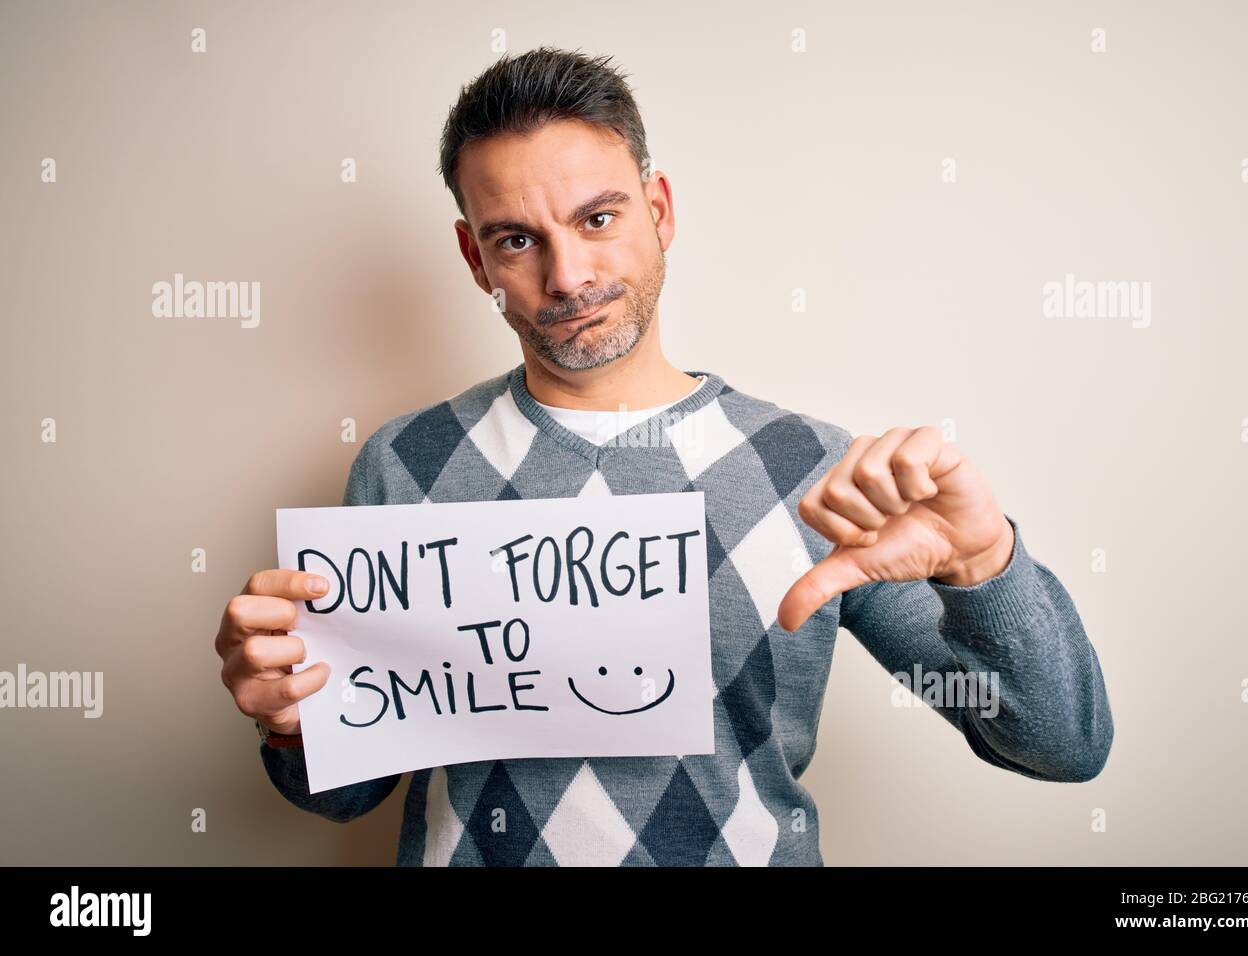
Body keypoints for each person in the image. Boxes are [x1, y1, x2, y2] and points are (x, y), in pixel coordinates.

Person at [213, 46, 1113, 866]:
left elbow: (1064, 746)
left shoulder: (812, 469)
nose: (566, 278)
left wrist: (983, 565)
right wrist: (293, 727)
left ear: (659, 210)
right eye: (516, 240)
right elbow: (345, 798)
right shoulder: (404, 464)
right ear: (472, 257)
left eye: (598, 218)